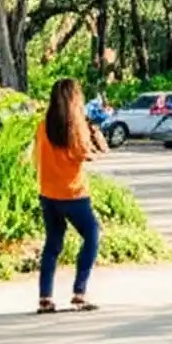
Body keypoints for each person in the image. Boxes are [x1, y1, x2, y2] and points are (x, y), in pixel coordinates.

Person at [34, 78, 107, 314]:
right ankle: (79, 292)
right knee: (92, 234)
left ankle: (45, 298)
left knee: (53, 245)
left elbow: (38, 156)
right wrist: (94, 130)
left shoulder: (42, 126)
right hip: (74, 194)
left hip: (48, 193)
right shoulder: (75, 127)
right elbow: (87, 154)